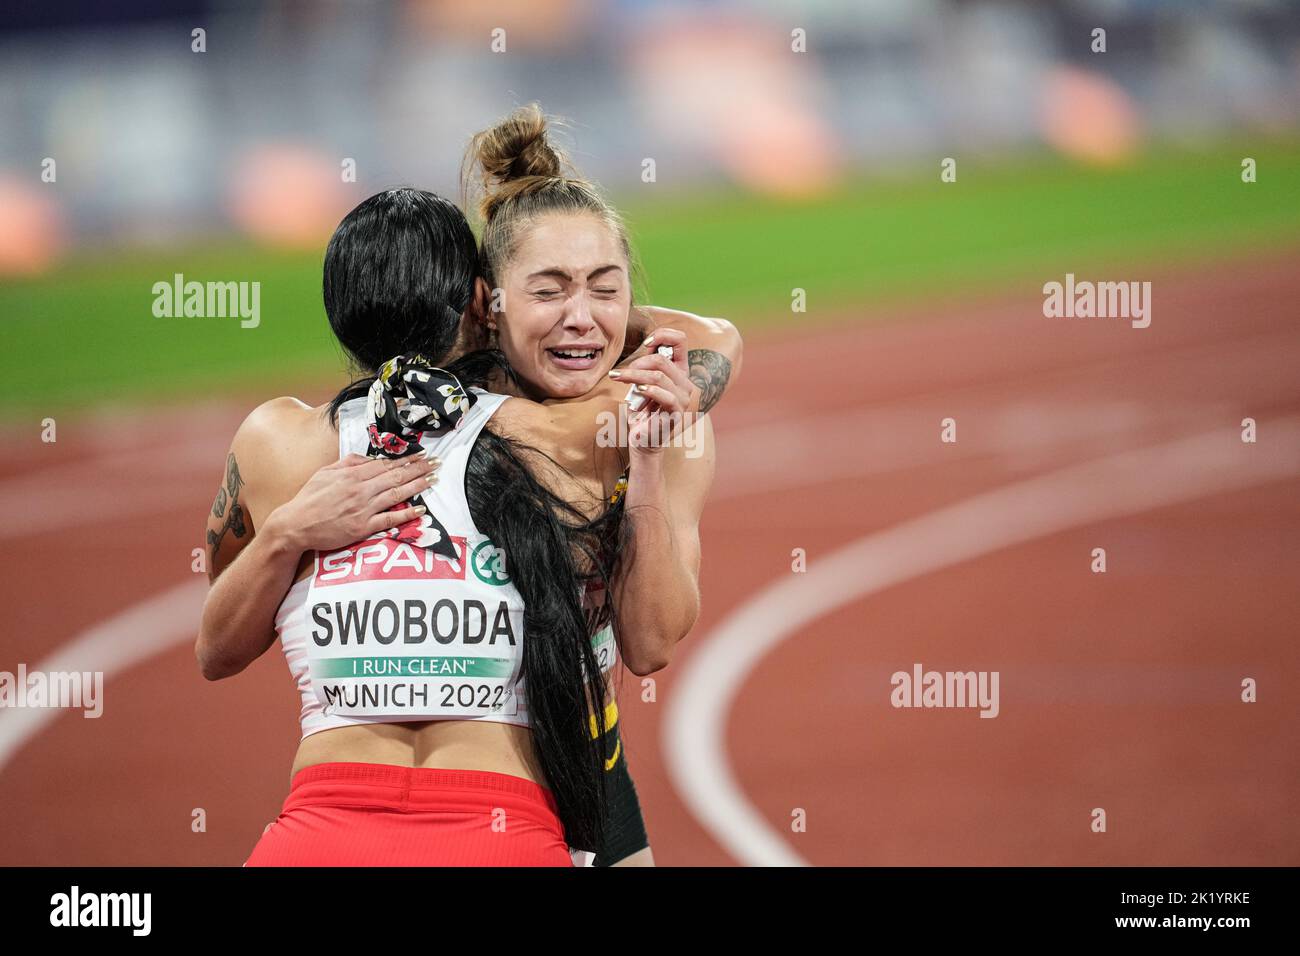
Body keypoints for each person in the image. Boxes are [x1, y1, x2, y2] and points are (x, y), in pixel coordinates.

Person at [198, 117, 739, 866]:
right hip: (482, 803)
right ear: (488, 304)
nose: (580, 318)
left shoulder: (640, 422)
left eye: (604, 289)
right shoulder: (593, 428)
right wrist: (290, 533)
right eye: (547, 290)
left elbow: (650, 646)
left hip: (581, 763)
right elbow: (718, 338)